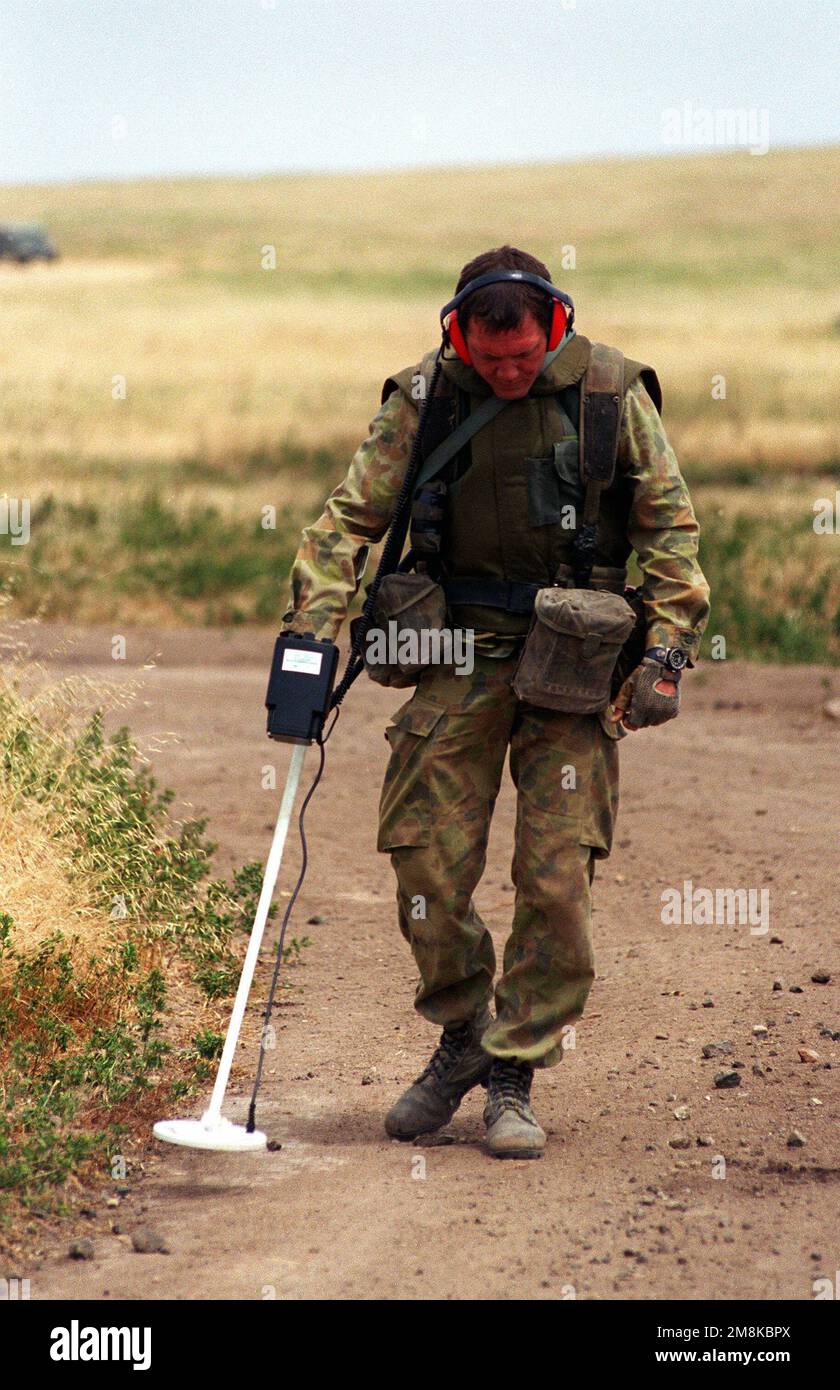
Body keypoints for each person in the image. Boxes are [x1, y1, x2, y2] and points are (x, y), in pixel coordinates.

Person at [280, 245, 710, 1159]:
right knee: (424, 867)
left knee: (557, 882)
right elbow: (346, 522)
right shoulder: (425, 397)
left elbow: (670, 528)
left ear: (552, 327)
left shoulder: (609, 393)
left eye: (522, 358)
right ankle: (465, 1034)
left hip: (575, 660)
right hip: (451, 646)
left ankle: (514, 1068)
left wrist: (668, 648)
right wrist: (310, 636)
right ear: (460, 335)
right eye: (491, 360)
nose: (508, 375)